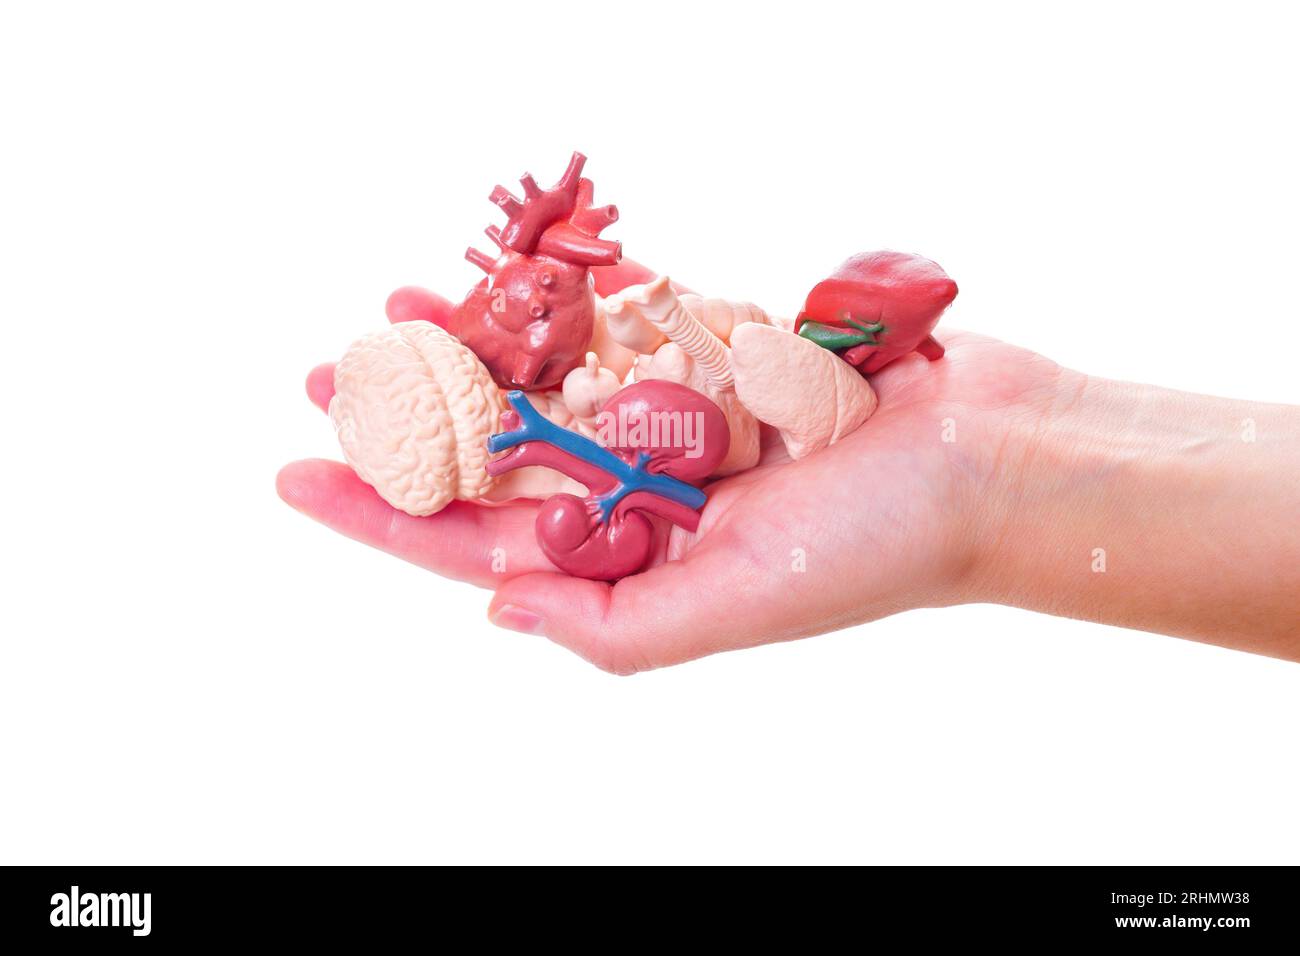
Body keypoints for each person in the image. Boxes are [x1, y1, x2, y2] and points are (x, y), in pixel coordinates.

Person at [277, 261, 1300, 673]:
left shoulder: (742, 375)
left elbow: (708, 388)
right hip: (664, 405)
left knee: (702, 383)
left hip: (699, 401)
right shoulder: (593, 391)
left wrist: (996, 470)